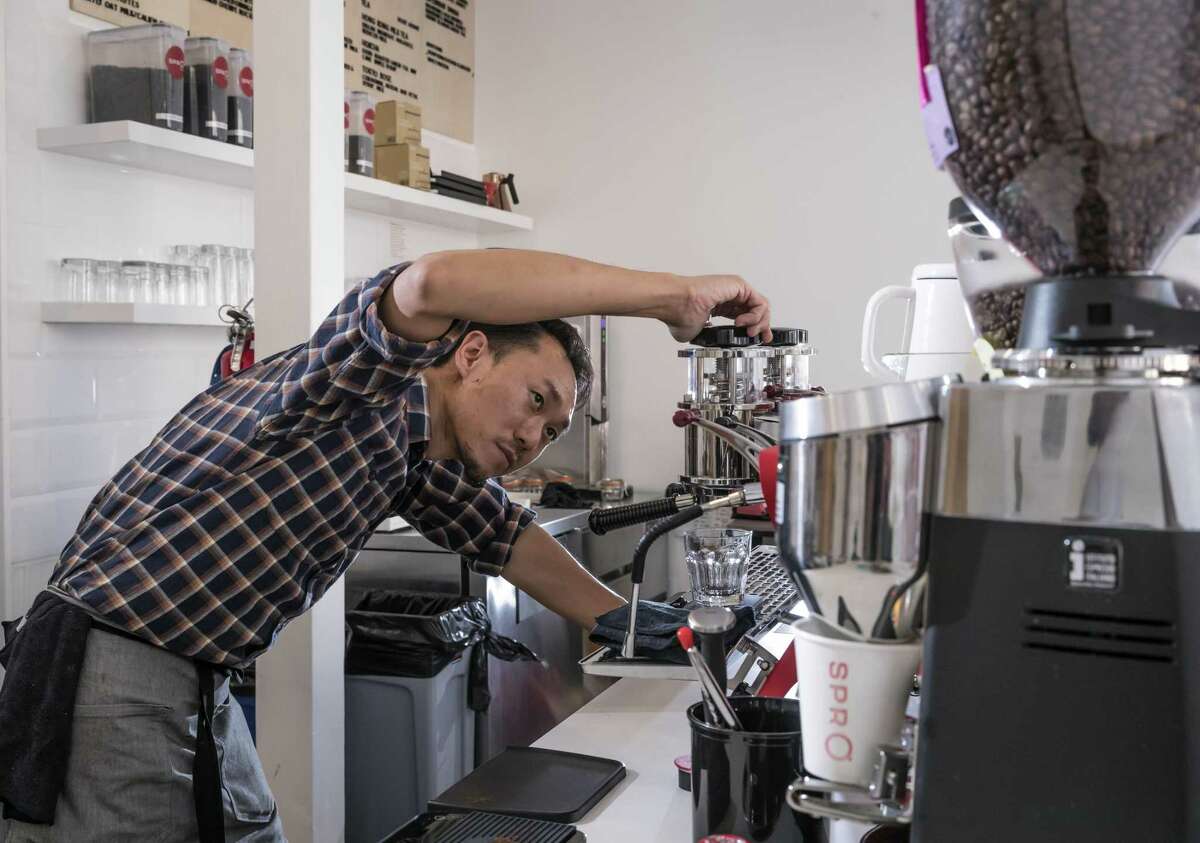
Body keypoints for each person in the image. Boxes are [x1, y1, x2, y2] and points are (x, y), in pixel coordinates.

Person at [0, 249, 772, 841]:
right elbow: (430, 284)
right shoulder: (363, 384)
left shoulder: (413, 455)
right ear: (471, 353)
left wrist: (631, 623)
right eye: (534, 399)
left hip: (197, 675)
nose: (533, 438)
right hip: (111, 665)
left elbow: (507, 536)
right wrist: (669, 297)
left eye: (551, 429)